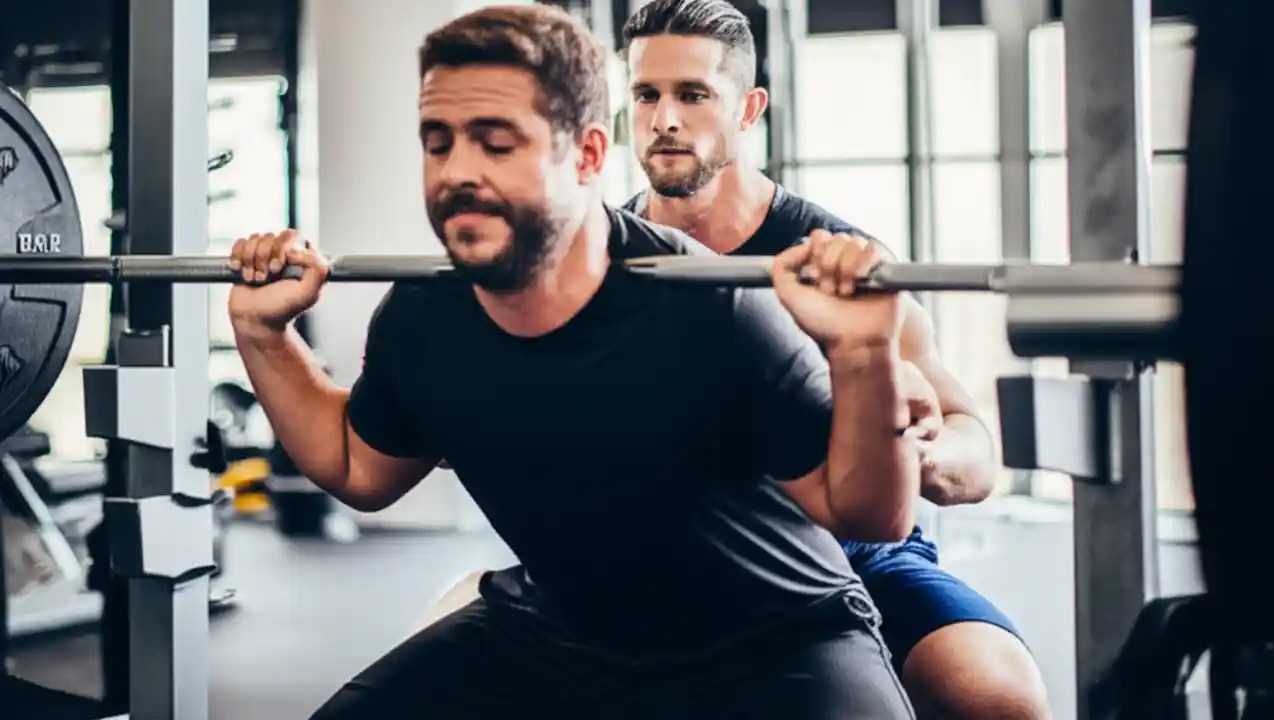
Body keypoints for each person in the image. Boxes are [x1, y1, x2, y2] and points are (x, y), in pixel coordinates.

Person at [228, 5, 921, 718]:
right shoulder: (424, 316)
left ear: (588, 155)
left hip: (772, 643)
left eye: (496, 144)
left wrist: (865, 353)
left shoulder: (711, 306)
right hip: (561, 636)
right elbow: (356, 467)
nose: (457, 172)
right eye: (439, 143)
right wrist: (264, 336)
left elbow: (870, 513)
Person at [419, 1, 1054, 718]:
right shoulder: (588, 258)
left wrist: (916, 450)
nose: (664, 119)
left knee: (996, 696)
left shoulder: (835, 257)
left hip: (842, 553)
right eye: (647, 94)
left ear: (748, 109)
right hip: (656, 558)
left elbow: (974, 452)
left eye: (692, 95)